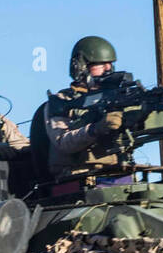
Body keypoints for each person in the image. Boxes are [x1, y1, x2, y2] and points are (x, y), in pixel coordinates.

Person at [44, 35, 125, 178]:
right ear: (80, 67)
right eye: (100, 64)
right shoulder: (62, 101)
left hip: (116, 172)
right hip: (77, 176)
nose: (108, 68)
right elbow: (62, 141)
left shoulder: (118, 97)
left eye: (110, 64)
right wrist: (96, 128)